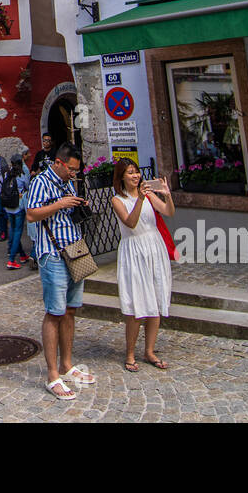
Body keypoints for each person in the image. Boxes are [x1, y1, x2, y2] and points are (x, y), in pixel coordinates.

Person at [25, 143, 94, 400]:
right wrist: (60, 203)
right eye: (71, 169)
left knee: (71, 309)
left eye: (77, 170)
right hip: (52, 254)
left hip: (74, 249)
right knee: (54, 312)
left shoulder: (66, 183)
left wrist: (76, 204)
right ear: (59, 163)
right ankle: (53, 375)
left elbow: (64, 211)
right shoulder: (42, 182)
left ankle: (67, 365)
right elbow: (31, 214)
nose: (74, 173)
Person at [110, 159, 174, 371]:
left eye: (136, 172)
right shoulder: (117, 200)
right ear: (122, 177)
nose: (135, 176)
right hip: (134, 251)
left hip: (154, 247)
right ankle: (129, 353)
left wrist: (167, 194)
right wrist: (140, 199)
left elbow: (168, 212)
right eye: (130, 173)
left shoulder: (149, 195)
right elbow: (130, 222)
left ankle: (149, 350)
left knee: (155, 300)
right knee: (136, 304)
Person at [2, 153, 31, 270]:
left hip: (8, 206)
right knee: (17, 231)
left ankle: (22, 255)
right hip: (18, 205)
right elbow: (28, 187)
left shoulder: (7, 174)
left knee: (13, 229)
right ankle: (12, 259)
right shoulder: (22, 175)